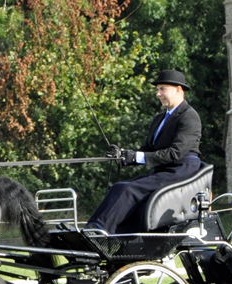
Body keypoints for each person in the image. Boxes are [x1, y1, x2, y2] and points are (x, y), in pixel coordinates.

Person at [86, 70, 202, 233]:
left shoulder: (189, 117)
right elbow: (147, 149)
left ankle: (99, 230)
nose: (158, 94)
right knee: (119, 186)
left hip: (180, 171)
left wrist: (137, 157)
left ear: (178, 89)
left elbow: (175, 153)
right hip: (163, 171)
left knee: (128, 190)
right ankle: (95, 229)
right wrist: (124, 155)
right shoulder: (159, 119)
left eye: (162, 89)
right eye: (158, 89)